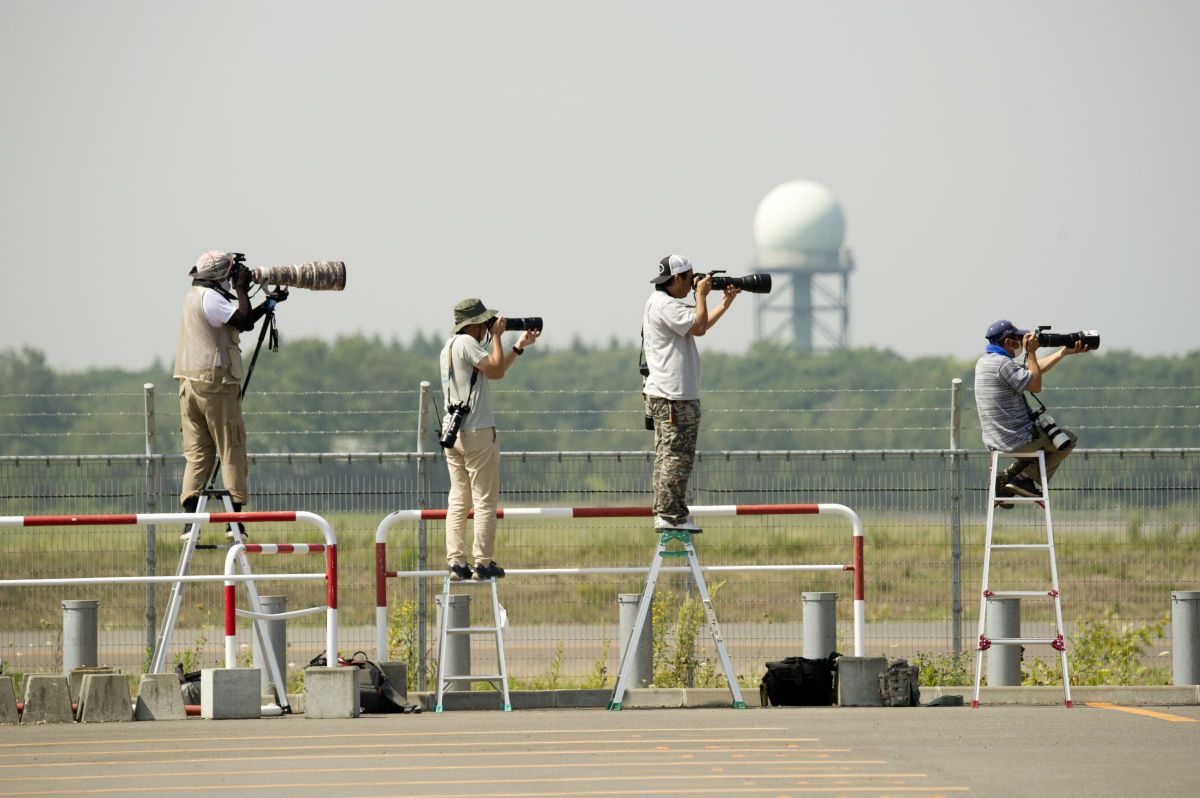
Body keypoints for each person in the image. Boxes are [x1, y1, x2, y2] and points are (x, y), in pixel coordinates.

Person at [174, 251, 285, 536]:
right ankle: (233, 522)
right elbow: (245, 322)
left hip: (190, 385)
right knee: (232, 449)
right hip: (216, 386)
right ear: (222, 274)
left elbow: (238, 319)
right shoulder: (213, 298)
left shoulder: (195, 296)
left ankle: (190, 523)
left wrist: (267, 304)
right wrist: (240, 288)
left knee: (198, 455)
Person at [439, 298, 540, 580]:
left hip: (454, 431)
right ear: (474, 323)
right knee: (483, 500)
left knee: (459, 499)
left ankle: (456, 562)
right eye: (485, 322)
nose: (488, 326)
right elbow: (495, 368)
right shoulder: (468, 343)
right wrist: (497, 337)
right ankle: (482, 562)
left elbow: (495, 371)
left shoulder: (448, 347)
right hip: (477, 432)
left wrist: (517, 347)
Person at [642, 254, 741, 531]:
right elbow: (698, 326)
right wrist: (701, 295)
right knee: (676, 457)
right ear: (676, 279)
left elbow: (701, 323)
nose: (693, 283)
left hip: (672, 394)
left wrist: (724, 302)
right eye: (690, 278)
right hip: (674, 396)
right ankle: (671, 515)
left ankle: (666, 512)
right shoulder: (665, 305)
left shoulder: (665, 304)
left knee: (670, 455)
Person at [974, 318, 1089, 500]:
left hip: (996, 440)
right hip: (1018, 440)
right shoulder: (1004, 364)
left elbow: (1031, 371)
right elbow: (1035, 384)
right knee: (1066, 440)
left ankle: (1010, 479)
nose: (1020, 343)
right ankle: (1023, 478)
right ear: (1007, 342)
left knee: (1046, 445)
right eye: (1016, 339)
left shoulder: (986, 362)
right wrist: (1032, 352)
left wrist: (1063, 353)